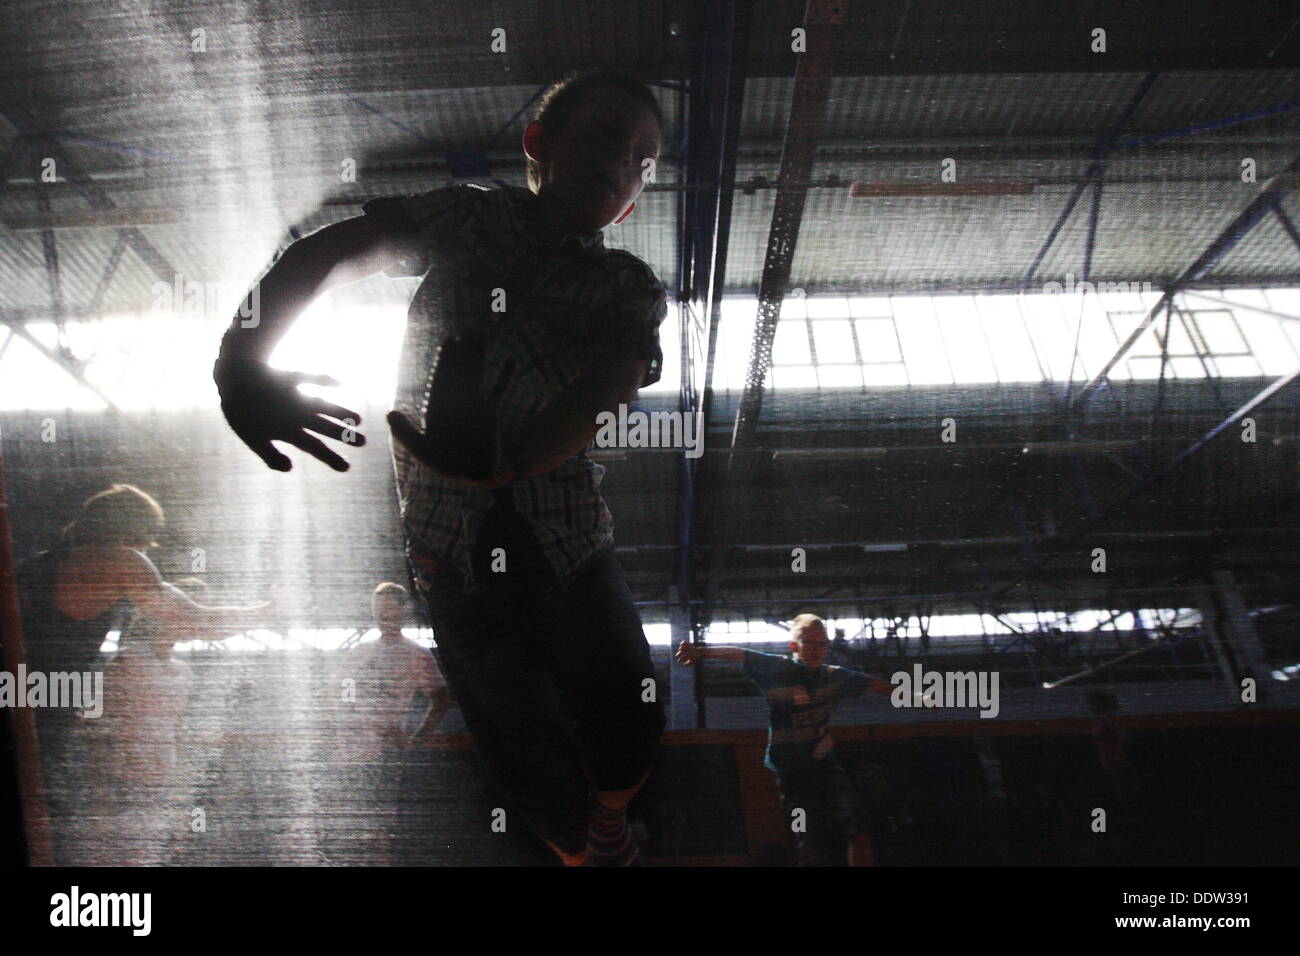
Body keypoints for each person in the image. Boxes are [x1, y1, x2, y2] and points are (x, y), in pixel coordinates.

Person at [214, 69, 668, 865]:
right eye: (603, 136)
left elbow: (611, 385)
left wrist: (515, 459)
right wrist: (240, 357)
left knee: (631, 707)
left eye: (641, 158)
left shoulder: (623, 284)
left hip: (567, 541)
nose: (621, 162)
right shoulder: (467, 216)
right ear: (539, 143)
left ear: (634, 197)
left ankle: (607, 820)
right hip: (447, 551)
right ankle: (584, 844)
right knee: (519, 750)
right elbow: (329, 251)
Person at [676, 614, 938, 866]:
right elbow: (739, 653)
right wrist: (700, 652)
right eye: (810, 644)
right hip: (791, 771)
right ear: (794, 646)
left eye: (822, 645)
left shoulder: (834, 676)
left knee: (858, 824)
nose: (816, 650)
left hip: (824, 763)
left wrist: (919, 698)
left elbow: (877, 686)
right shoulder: (777, 668)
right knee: (809, 840)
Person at [76, 577, 213, 865]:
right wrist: (101, 794)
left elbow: (175, 733)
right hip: (120, 787)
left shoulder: (184, 673)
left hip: (158, 785)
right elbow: (96, 726)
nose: (198, 617)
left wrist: (178, 798)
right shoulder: (128, 662)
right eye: (192, 609)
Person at [325, 582, 449, 864]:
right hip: (353, 750)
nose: (382, 614)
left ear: (403, 610)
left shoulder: (416, 653)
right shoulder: (361, 650)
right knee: (352, 822)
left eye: (388, 608)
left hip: (385, 750)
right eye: (378, 608)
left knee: (381, 825)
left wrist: (417, 737)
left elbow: (441, 696)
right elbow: (334, 692)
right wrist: (342, 726)